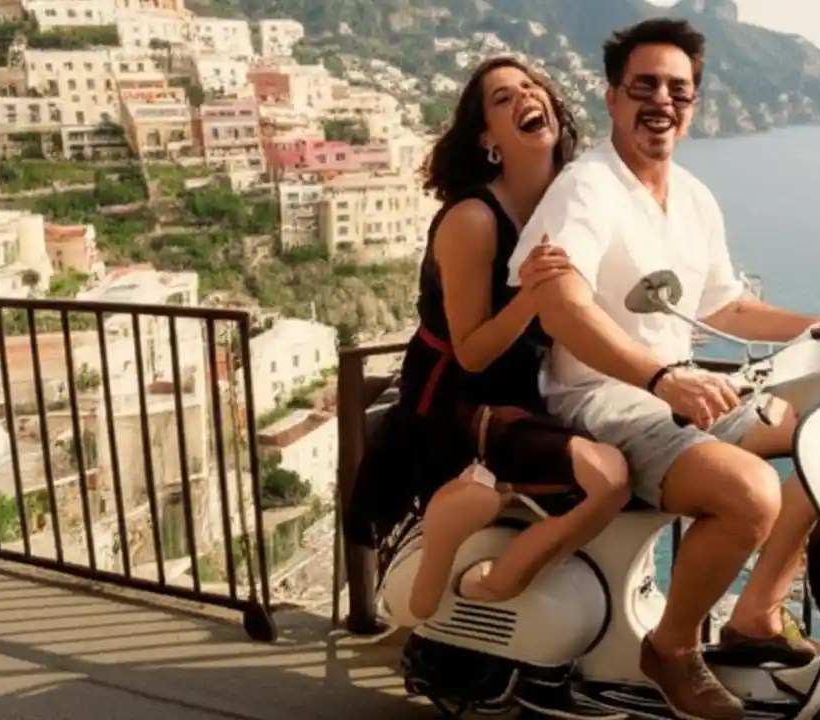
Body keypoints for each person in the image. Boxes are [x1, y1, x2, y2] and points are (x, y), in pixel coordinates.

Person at [507, 18, 820, 720]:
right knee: (749, 494)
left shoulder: (692, 197)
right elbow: (559, 308)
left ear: (694, 102)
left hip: (674, 392)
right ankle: (672, 648)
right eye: (644, 85)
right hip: (602, 400)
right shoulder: (587, 188)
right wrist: (659, 377)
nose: (662, 100)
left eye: (678, 89)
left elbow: (729, 306)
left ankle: (755, 619)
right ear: (613, 98)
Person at [347, 56, 630, 718]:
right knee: (603, 476)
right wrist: (533, 294)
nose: (527, 97)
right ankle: (479, 567)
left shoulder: (567, 200)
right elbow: (472, 350)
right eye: (503, 99)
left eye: (534, 88)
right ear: (486, 138)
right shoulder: (474, 219)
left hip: (524, 392)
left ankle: (540, 648)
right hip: (456, 400)